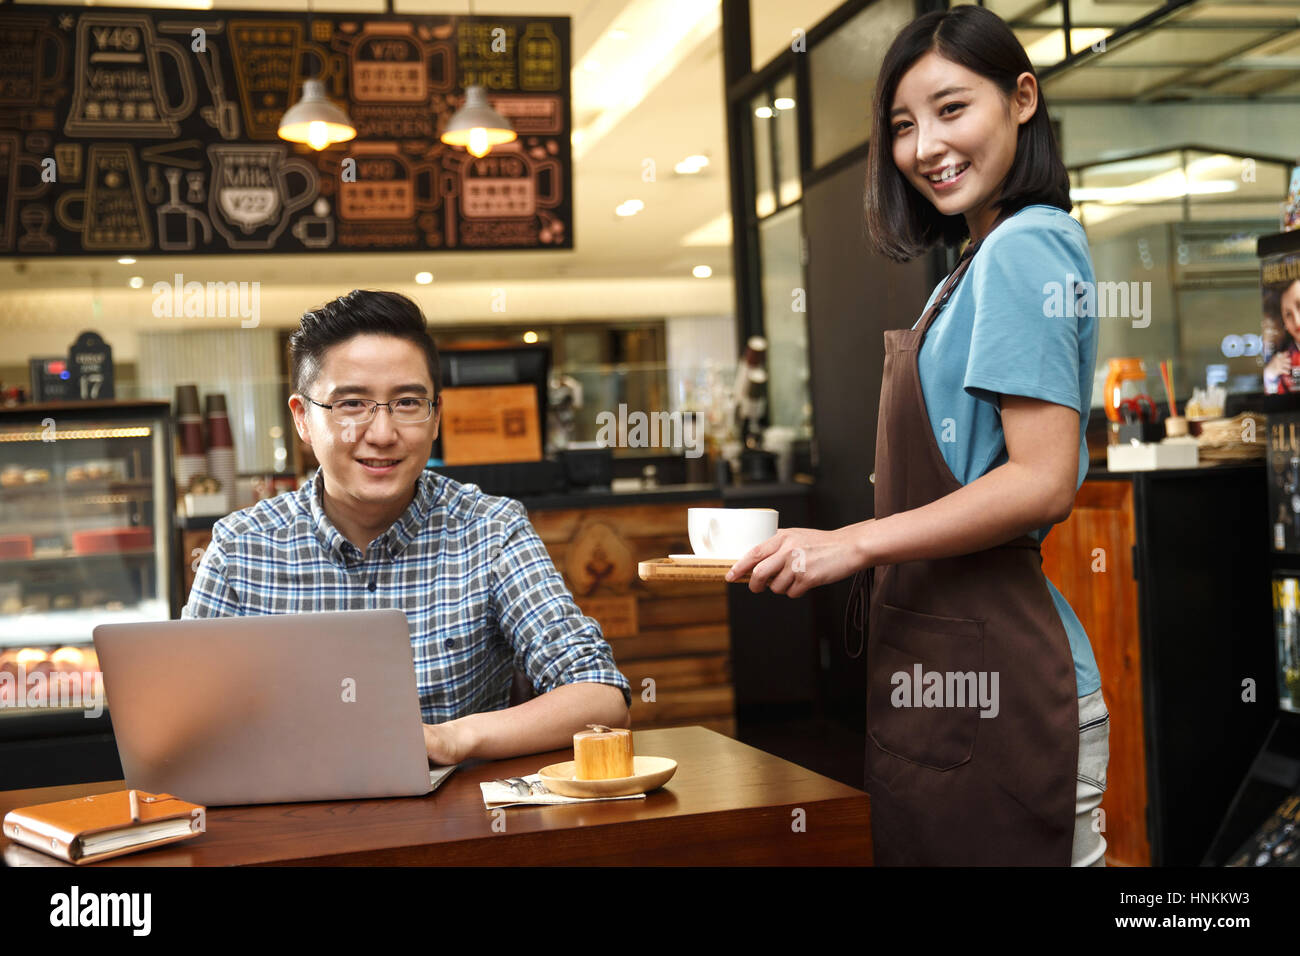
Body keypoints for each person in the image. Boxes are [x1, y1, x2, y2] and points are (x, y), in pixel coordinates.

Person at [727, 6, 1108, 866]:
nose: (926, 145)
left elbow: (1041, 481)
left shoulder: (1026, 248)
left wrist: (854, 543)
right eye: (904, 125)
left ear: (1021, 98)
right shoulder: (970, 265)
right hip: (947, 679)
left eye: (951, 109)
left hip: (1007, 689)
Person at [184, 290, 631, 765]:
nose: (381, 434)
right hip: (290, 828)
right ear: (302, 418)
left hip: (457, 828)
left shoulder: (491, 531)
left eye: (407, 402)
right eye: (352, 404)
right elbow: (184, 721)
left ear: (436, 416)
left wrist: (451, 739)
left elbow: (601, 698)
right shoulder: (240, 549)